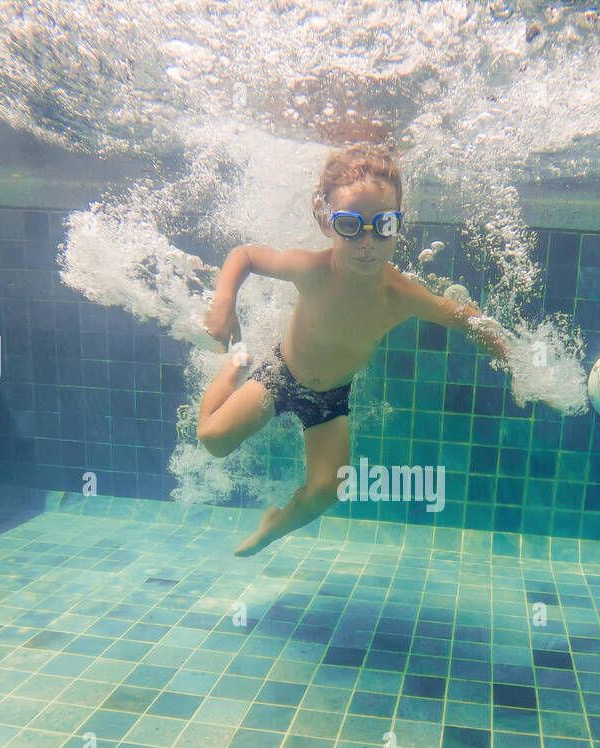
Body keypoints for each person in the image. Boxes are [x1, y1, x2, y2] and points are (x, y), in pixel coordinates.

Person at [198, 142, 532, 556]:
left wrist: (513, 357)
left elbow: (463, 318)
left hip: (331, 398)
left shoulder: (401, 294)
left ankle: (274, 527)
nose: (367, 242)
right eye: (351, 225)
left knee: (328, 490)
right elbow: (245, 255)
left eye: (383, 225)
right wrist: (223, 303)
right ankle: (231, 371)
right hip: (282, 374)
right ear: (326, 221)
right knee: (213, 440)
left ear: (399, 222)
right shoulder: (311, 270)